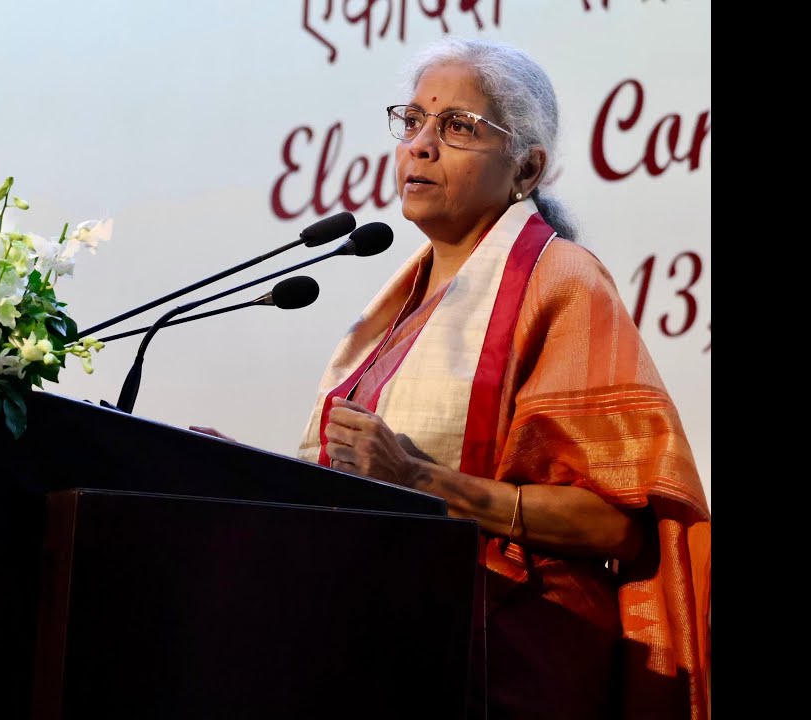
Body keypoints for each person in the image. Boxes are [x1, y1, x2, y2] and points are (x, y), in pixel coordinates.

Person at [201, 38, 710, 719]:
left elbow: (619, 526)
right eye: (411, 122)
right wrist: (234, 471)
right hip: (390, 641)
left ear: (526, 167)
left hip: (511, 661)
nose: (420, 145)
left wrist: (422, 480)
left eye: (458, 127)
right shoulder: (402, 304)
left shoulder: (563, 283)